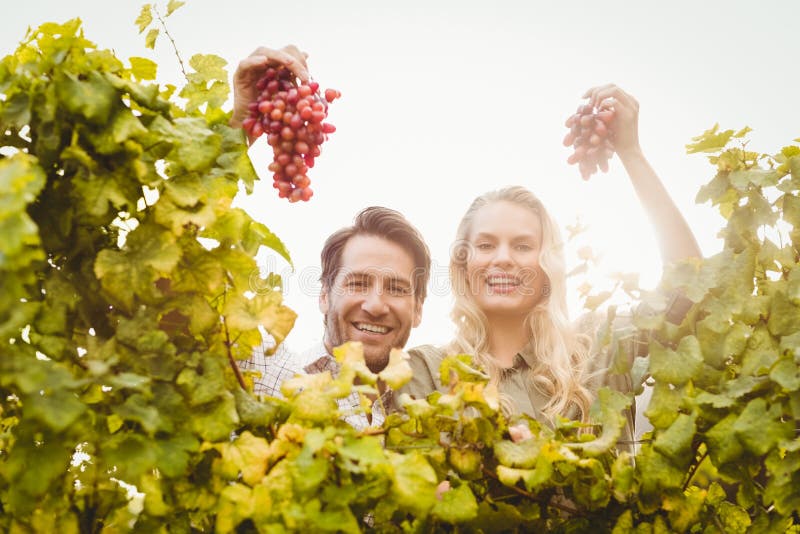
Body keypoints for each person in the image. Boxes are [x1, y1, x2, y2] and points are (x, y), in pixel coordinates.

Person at [396, 84, 701, 448]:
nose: (503, 258)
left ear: (548, 263)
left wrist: (631, 153)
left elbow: (689, 287)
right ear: (465, 264)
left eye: (523, 246)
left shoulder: (600, 347)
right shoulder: (428, 371)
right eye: (486, 245)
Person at [240, 205, 431, 431]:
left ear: (418, 309)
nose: (376, 306)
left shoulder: (430, 405)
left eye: (397, 289)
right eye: (358, 284)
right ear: (324, 295)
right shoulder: (269, 375)